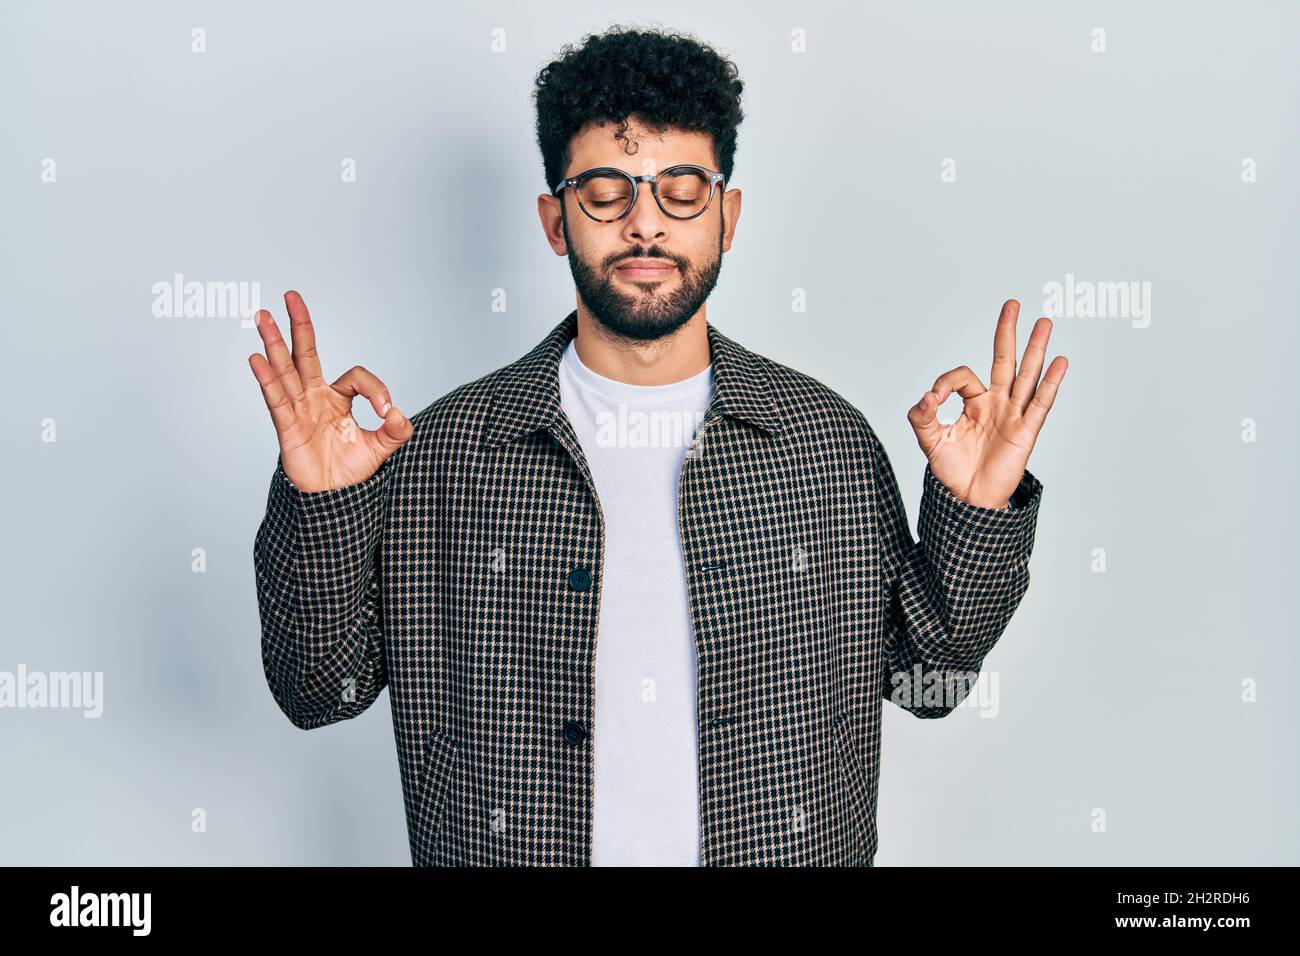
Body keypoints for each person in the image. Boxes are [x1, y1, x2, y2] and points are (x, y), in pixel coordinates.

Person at [249, 25, 1066, 867]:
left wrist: (977, 509)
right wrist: (323, 504)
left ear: (729, 215)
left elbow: (925, 681)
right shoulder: (446, 453)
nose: (645, 226)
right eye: (606, 192)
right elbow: (317, 693)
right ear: (555, 219)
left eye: (681, 189)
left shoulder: (826, 445)